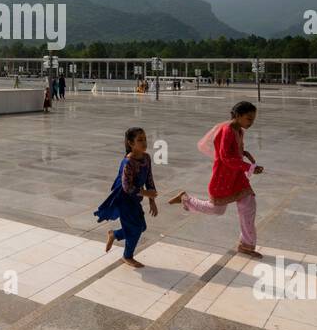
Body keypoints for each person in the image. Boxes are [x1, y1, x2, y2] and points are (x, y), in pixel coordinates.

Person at [167, 100, 265, 259]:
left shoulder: (239, 130)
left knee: (249, 205)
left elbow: (234, 151)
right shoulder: (226, 130)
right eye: (249, 118)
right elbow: (226, 157)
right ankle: (186, 199)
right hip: (223, 178)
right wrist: (250, 167)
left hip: (237, 176)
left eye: (253, 119)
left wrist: (244, 153)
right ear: (238, 116)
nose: (251, 123)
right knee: (217, 209)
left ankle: (246, 245)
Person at [93, 127, 158, 268]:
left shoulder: (146, 158)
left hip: (135, 199)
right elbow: (127, 187)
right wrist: (147, 194)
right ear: (130, 143)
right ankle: (127, 256)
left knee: (141, 227)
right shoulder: (128, 162)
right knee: (135, 228)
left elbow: (149, 180)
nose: (144, 142)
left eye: (145, 139)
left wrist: (152, 200)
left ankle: (114, 234)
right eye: (140, 140)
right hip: (124, 199)